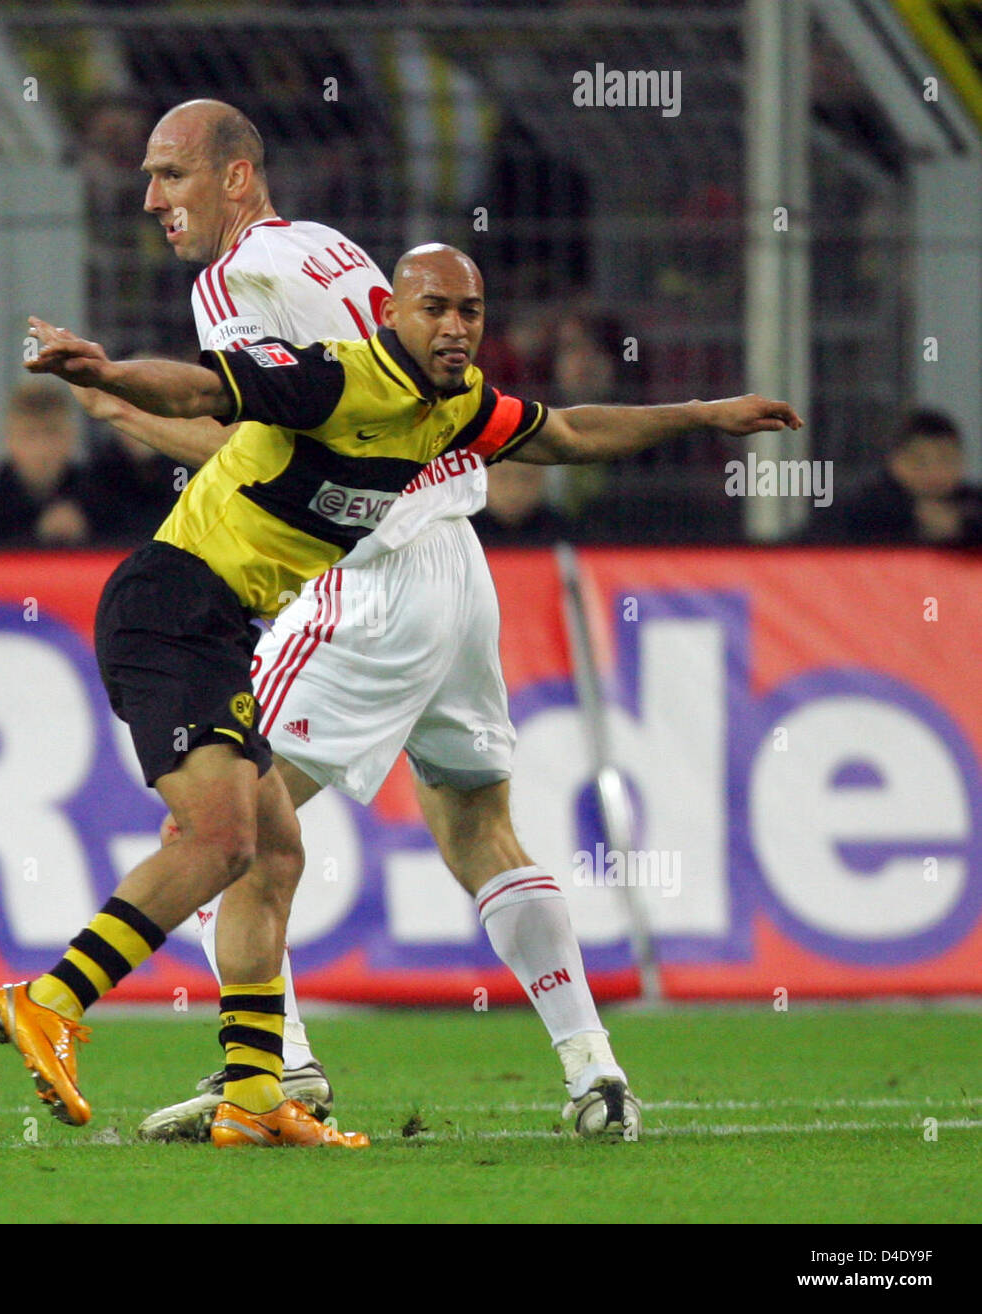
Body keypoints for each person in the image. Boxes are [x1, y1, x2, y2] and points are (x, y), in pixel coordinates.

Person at [0, 235, 801, 1152]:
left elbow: (568, 433)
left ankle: (257, 1094)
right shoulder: (334, 378)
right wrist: (114, 376)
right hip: (171, 611)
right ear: (388, 315)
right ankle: (50, 1000)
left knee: (272, 851)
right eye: (434, 310)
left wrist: (705, 413)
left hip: (229, 623)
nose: (454, 328)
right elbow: (208, 389)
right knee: (222, 841)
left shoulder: (455, 408)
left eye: (470, 312)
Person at [76, 97, 633, 1142]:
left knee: (210, 826)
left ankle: (276, 1069)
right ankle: (594, 1072)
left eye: (172, 176)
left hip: (364, 572)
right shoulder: (329, 247)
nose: (152, 200)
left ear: (237, 178)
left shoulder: (231, 279)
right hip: (456, 560)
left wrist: (121, 406)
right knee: (477, 823)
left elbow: (269, 455)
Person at [0, 379, 115, 550]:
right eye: (29, 435)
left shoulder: (100, 497)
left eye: (52, 433)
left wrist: (88, 535)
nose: (41, 449)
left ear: (70, 436)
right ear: (9, 439)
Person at [817, 409, 982, 546]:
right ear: (895, 462)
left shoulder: (973, 505)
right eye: (919, 462)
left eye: (947, 459)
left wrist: (962, 528)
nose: (935, 472)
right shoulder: (860, 509)